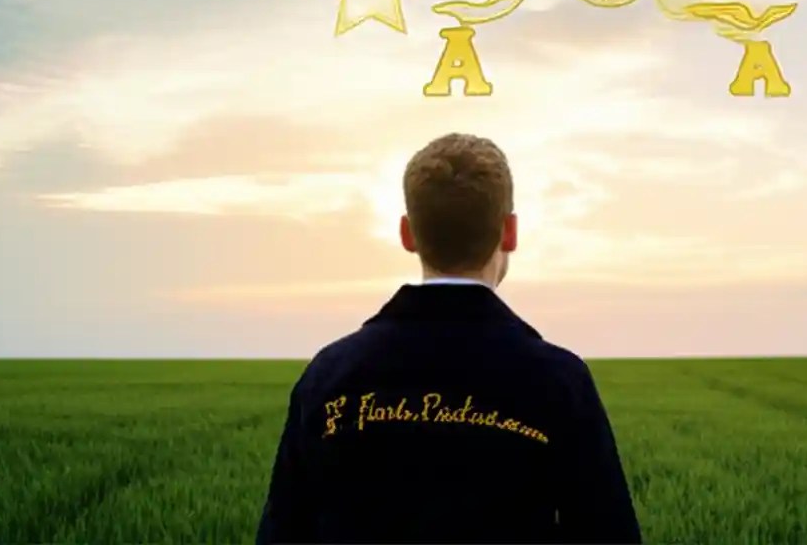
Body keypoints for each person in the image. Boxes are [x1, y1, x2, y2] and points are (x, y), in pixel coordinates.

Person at [255, 133, 641, 544]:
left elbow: (282, 533)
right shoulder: (560, 382)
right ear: (509, 232)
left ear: (408, 234)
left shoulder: (328, 377)